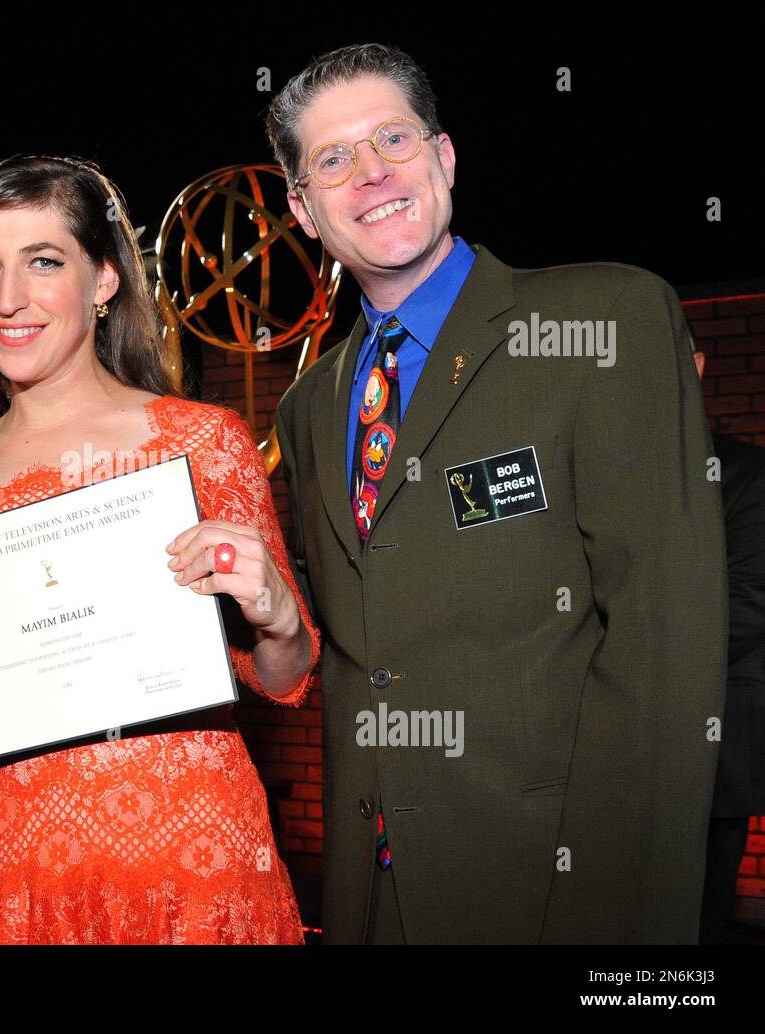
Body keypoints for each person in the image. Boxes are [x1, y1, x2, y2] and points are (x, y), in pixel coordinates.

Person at [267, 43, 727, 943]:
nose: (371, 175)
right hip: (371, 891)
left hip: (555, 887)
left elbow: (666, 648)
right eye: (333, 160)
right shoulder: (310, 407)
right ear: (304, 210)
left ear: (443, 158)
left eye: (392, 140)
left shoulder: (604, 323)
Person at [0, 155, 320, 943]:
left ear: (103, 278)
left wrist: (277, 617)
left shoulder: (203, 442)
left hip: (190, 861)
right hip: (18, 863)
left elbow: (284, 676)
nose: (8, 300)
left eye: (43, 262)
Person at [691, 344, 765, 944]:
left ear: (696, 365)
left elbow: (751, 603)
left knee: (701, 912)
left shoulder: (749, 475)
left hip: (714, 748)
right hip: (610, 747)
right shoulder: (609, 471)